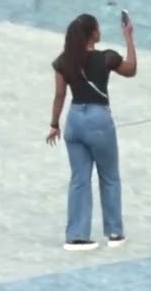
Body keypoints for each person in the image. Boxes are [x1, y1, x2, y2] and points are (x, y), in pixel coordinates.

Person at [45, 13, 137, 251]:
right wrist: (128, 37)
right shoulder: (106, 58)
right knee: (109, 176)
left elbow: (59, 95)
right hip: (99, 120)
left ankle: (76, 235)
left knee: (79, 179)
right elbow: (131, 69)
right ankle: (115, 232)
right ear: (93, 34)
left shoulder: (63, 62)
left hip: (74, 121)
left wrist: (55, 124)